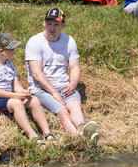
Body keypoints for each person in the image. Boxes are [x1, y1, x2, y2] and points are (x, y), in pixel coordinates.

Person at [25, 8, 99, 140]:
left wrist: (73, 84)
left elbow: (75, 67)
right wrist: (54, 92)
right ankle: (80, 139)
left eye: (56, 24)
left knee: (75, 106)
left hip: (63, 84)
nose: (52, 28)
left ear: (62, 25)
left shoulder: (69, 41)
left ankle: (83, 128)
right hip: (41, 88)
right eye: (49, 24)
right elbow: (36, 73)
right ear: (44, 23)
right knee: (63, 112)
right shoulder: (34, 42)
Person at [0, 32, 51, 144]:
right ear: (1, 51)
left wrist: (23, 92)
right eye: (11, 48)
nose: (14, 51)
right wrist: (15, 96)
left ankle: (47, 133)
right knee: (16, 103)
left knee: (34, 100)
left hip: (9, 97)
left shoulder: (10, 65)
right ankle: (32, 135)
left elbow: (15, 85)